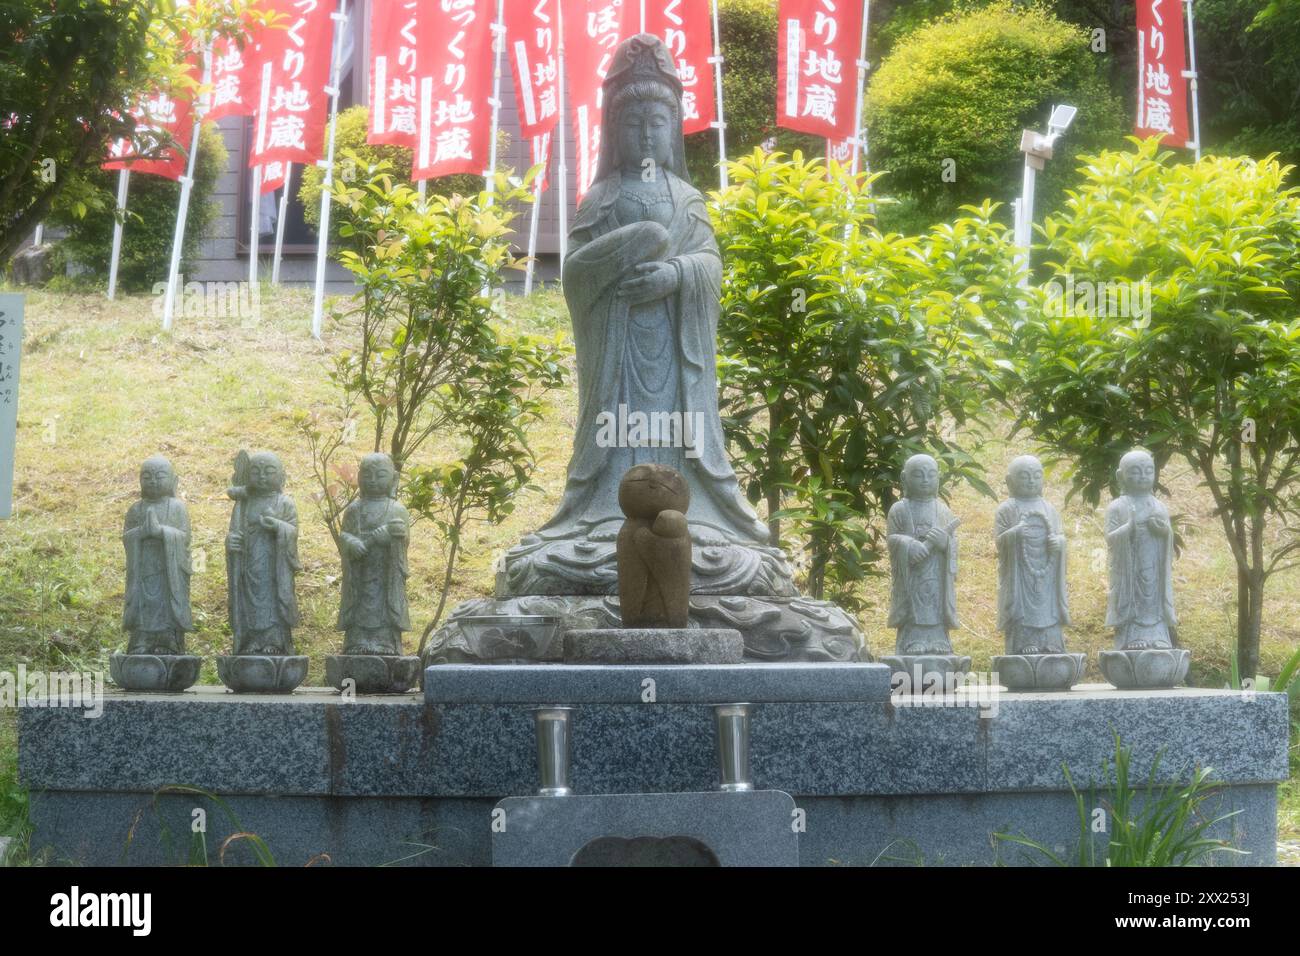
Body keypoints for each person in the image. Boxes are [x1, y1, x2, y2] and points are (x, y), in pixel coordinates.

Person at [503, 33, 791, 598]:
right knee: (611, 441)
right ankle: (605, 512)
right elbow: (577, 276)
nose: (646, 133)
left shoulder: (687, 199)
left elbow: (710, 265)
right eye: (633, 121)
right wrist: (619, 266)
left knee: (735, 552)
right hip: (618, 353)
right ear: (614, 129)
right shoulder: (601, 199)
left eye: (658, 121)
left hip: (677, 356)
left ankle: (695, 514)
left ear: (675, 127)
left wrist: (677, 274)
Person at [226, 450, 300, 654]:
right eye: (256, 472)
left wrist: (278, 526)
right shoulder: (243, 504)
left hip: (273, 567)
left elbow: (292, 531)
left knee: (272, 603)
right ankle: (251, 641)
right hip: (248, 565)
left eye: (269, 471)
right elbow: (234, 533)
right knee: (249, 602)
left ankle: (274, 642)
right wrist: (231, 542)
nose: (262, 477)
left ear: (282, 477)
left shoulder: (284, 503)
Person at [995, 455, 1069, 654]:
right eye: (1025, 476)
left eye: (1036, 476)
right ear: (1010, 481)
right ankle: (1024, 643)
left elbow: (1060, 536)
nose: (1031, 481)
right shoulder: (1006, 509)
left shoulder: (1049, 509)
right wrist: (1015, 533)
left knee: (1048, 607)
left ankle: (1051, 641)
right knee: (1023, 608)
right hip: (1020, 574)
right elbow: (1000, 543)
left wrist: (1058, 543)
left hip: (1047, 573)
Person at [337, 453, 410, 654]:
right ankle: (357, 641)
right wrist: (352, 543)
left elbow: (404, 539)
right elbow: (344, 535)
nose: (373, 480)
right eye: (367, 475)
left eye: (380, 475)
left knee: (384, 604)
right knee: (359, 603)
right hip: (360, 570)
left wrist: (393, 537)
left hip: (385, 570)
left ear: (393, 478)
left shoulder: (397, 509)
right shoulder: (354, 509)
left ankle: (385, 642)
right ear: (359, 477)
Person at [886, 454, 960, 655]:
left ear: (938, 478)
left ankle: (939, 639)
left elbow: (954, 543)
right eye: (918, 475)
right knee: (914, 604)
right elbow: (892, 539)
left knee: (935, 603)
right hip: (912, 574)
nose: (926, 480)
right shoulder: (899, 509)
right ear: (904, 478)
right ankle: (912, 640)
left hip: (936, 572)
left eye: (931, 475)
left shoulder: (943, 510)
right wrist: (909, 545)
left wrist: (945, 543)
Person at [1105, 449, 1177, 650]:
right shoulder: (1117, 507)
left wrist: (1164, 532)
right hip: (1129, 568)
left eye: (1148, 471)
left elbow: (1168, 536)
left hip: (1154, 564)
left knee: (1153, 596)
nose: (1143, 476)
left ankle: (1158, 635)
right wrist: (1128, 528)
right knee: (1134, 595)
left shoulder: (1158, 506)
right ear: (1121, 476)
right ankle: (1131, 637)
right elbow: (1110, 539)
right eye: (1135, 471)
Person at [122, 456, 192, 653]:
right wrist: (141, 533)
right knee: (143, 603)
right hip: (143, 569)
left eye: (159, 476)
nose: (153, 481)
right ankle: (141, 640)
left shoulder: (177, 507)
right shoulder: (136, 509)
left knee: (167, 603)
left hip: (168, 572)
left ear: (173, 480)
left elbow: (185, 538)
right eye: (147, 476)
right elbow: (127, 538)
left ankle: (169, 641)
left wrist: (162, 532)